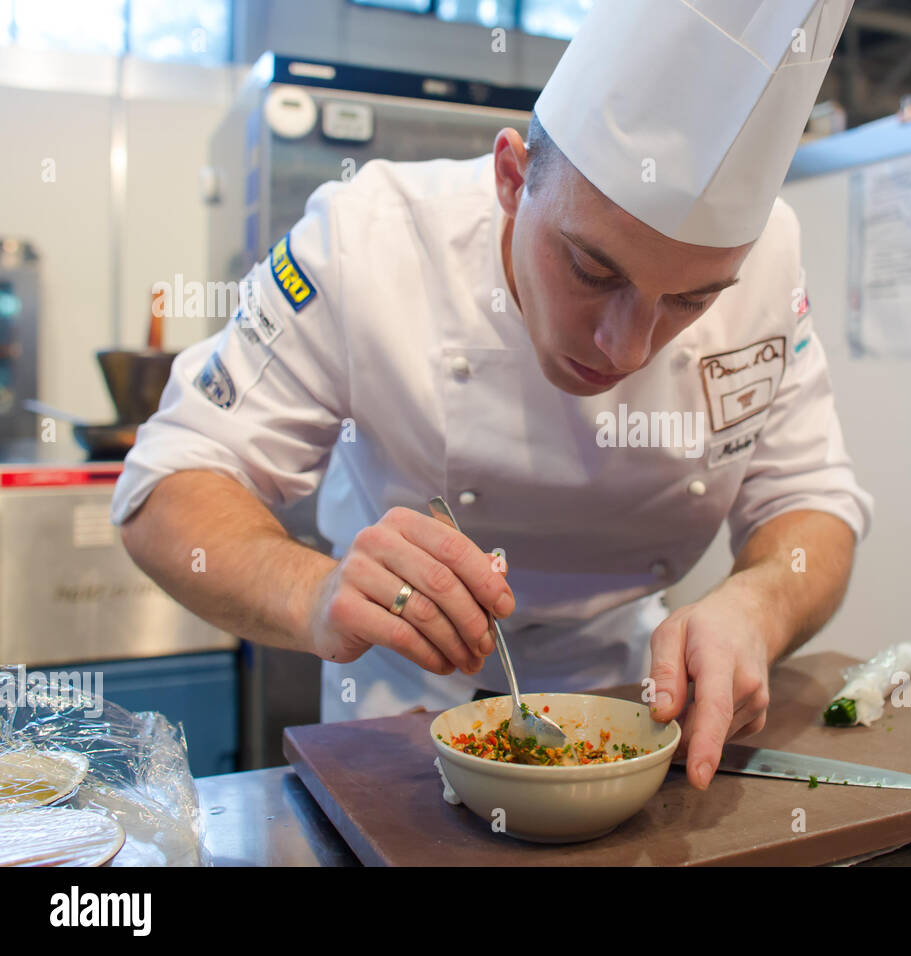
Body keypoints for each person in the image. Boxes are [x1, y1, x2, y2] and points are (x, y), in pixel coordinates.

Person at [112, 0, 870, 790]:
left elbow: (812, 502)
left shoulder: (771, 257)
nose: (628, 346)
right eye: (593, 271)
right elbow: (166, 483)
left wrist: (757, 605)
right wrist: (315, 592)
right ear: (513, 178)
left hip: (635, 702)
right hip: (397, 708)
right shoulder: (365, 240)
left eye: (691, 301)